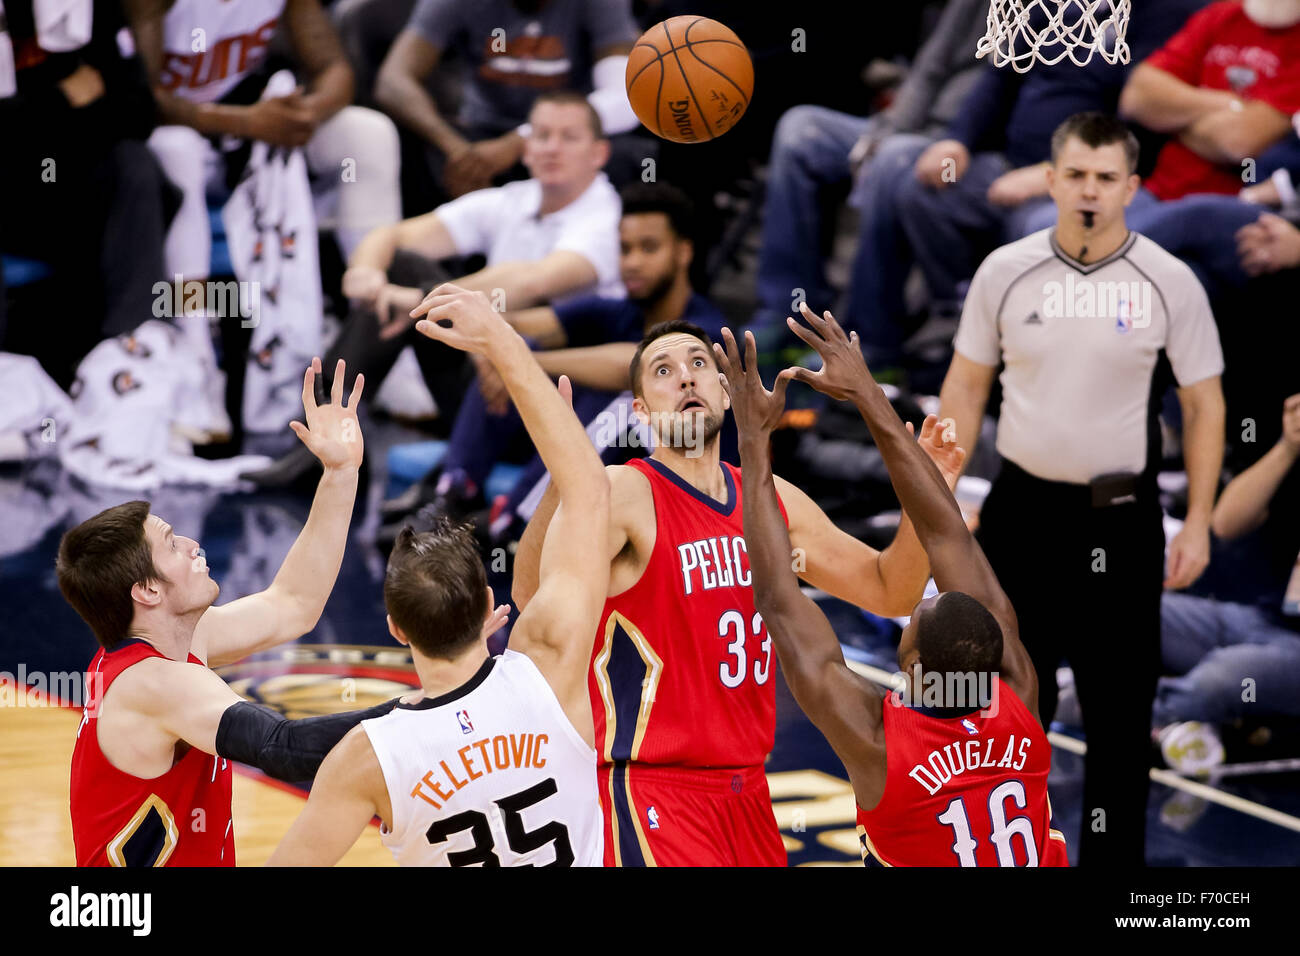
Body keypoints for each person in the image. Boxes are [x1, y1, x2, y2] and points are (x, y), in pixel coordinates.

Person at [510, 319, 965, 866]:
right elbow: (531, 594)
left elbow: (890, 591)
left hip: (747, 791)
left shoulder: (770, 500)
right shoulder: (623, 491)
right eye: (664, 370)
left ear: (727, 392)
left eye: (699, 365)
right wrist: (568, 474)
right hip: (653, 792)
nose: (686, 380)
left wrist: (930, 489)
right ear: (640, 411)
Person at [937, 112, 1226, 865]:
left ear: (1132, 186)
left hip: (1121, 520)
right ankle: (1010, 855)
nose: (1089, 192)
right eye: (1075, 175)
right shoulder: (1005, 271)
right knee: (1001, 708)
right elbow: (965, 387)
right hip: (1022, 514)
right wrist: (937, 496)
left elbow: (1204, 403)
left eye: (1106, 178)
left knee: (1120, 720)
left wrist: (1197, 520)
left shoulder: (1169, 281)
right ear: (1052, 178)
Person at [268, 285, 609, 866]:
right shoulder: (550, 667)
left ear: (396, 628)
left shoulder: (367, 755)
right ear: (486, 607)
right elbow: (590, 490)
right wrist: (505, 345)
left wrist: (339, 472)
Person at [719, 307, 1067, 866]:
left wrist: (755, 441)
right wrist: (867, 396)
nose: (914, 608)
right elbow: (946, 533)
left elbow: (779, 601)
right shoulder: (1018, 698)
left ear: (911, 667)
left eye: (912, 624)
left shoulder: (882, 746)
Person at [59, 359, 402, 865]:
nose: (194, 543)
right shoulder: (151, 685)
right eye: (173, 544)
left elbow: (294, 605)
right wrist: (419, 711)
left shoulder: (171, 645)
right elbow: (283, 748)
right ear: (147, 592)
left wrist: (340, 473)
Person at [245, 90, 621, 490]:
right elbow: (392, 236)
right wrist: (366, 270)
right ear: (525, 149)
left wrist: (420, 300)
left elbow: (535, 281)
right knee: (401, 265)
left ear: (599, 153)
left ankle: (326, 448)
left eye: (568, 137)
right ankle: (330, 444)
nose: (552, 148)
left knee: (413, 288)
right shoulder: (514, 200)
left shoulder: (605, 217)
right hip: (485, 381)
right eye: (542, 135)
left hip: (556, 395)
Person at [380, 182, 725, 542]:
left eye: (648, 248)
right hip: (595, 466)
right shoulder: (619, 311)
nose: (633, 262)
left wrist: (515, 357)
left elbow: (638, 365)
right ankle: (452, 493)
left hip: (683, 495)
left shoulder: (708, 330)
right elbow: (519, 323)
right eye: (624, 249)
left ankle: (511, 526)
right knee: (515, 347)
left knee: (622, 400)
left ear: (684, 252)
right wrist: (491, 334)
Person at [0, 0, 170, 384]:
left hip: (72, 191)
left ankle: (135, 360)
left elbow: (138, 111)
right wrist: (61, 100)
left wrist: (32, 118)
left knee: (136, 164)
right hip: (13, 197)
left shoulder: (88, 8)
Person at [1155, 393, 1300, 771]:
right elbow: (1226, 524)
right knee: (1143, 610)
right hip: (1265, 618)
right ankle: (1188, 721)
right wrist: (1287, 447)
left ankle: (1112, 706)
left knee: (1222, 677)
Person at [374, 0, 641, 202]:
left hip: (563, 134)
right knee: (413, 145)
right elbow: (392, 81)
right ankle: (439, 262)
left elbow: (624, 97)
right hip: (480, 135)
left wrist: (517, 142)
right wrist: (456, 150)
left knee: (621, 154)